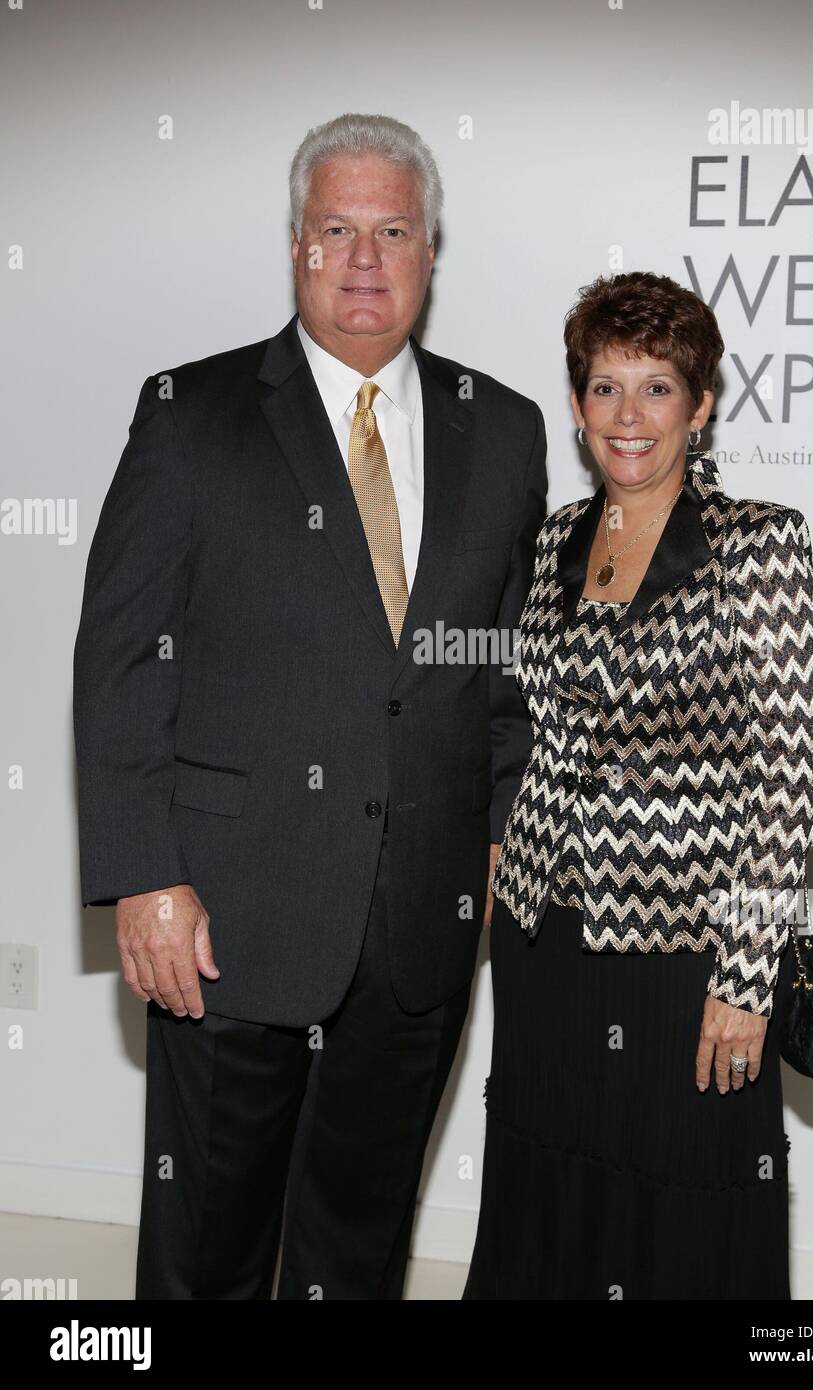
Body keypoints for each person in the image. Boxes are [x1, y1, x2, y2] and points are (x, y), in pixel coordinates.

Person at [72, 112, 547, 1300]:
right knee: (206, 1253)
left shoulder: (507, 430)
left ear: (431, 248)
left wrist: (496, 829)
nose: (365, 260)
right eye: (337, 229)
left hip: (417, 927)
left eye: (392, 230)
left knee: (357, 1247)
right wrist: (143, 872)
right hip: (226, 923)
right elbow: (121, 659)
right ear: (295, 243)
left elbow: (500, 664)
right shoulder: (193, 413)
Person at [463, 270, 813, 1300]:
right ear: (578, 404)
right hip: (545, 941)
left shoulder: (756, 541)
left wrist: (746, 974)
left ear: (700, 404)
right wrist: (502, 850)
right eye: (604, 387)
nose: (628, 417)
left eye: (656, 388)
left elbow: (793, 774)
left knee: (688, 1193)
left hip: (686, 950)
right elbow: (525, 724)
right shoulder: (550, 543)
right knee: (548, 1185)